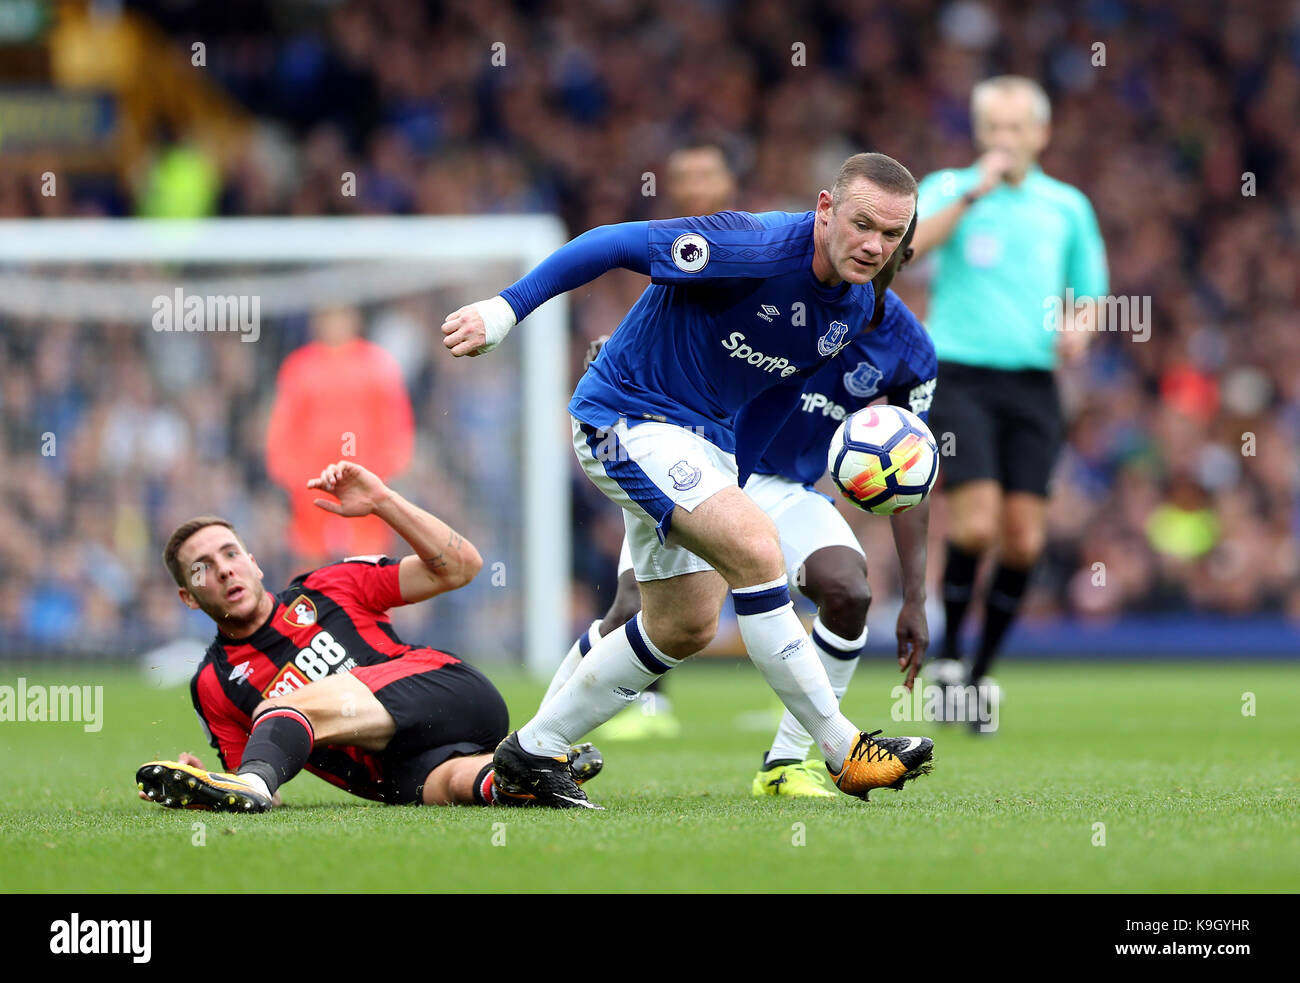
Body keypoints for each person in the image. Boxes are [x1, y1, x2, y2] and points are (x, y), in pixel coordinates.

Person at [442, 151, 935, 808]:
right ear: (825, 208)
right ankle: (844, 752)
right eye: (862, 224)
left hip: (702, 445)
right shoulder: (752, 245)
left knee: (685, 624)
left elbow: (777, 390)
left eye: (891, 234)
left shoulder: (851, 306)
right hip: (623, 418)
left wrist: (737, 479)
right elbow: (609, 243)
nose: (874, 245)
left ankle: (532, 752)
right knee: (757, 549)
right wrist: (505, 309)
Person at [136, 460, 600, 812]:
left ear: (253, 564)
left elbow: (461, 567)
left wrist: (383, 501)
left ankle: (524, 765)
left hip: (450, 695)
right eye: (202, 568)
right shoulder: (214, 685)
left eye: (230, 554)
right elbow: (262, 785)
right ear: (188, 597)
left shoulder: (329, 586)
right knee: (459, 786)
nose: (223, 570)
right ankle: (528, 771)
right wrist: (208, 788)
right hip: (398, 770)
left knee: (277, 709)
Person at [910, 76, 1108, 724]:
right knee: (975, 525)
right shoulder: (951, 186)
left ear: (1040, 134)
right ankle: (947, 658)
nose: (1003, 139)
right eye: (993, 127)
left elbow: (1091, 293)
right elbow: (910, 248)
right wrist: (974, 192)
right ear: (978, 132)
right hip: (959, 372)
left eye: (1016, 127)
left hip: (1032, 382)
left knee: (1023, 541)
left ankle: (978, 676)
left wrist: (1079, 328)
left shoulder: (1066, 207)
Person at [582, 140, 742, 741]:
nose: (695, 185)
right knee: (635, 597)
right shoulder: (664, 253)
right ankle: (606, 714)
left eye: (707, 172)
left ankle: (801, 731)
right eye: (685, 176)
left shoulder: (752, 254)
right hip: (653, 439)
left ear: (728, 182)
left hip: (722, 446)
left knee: (749, 580)